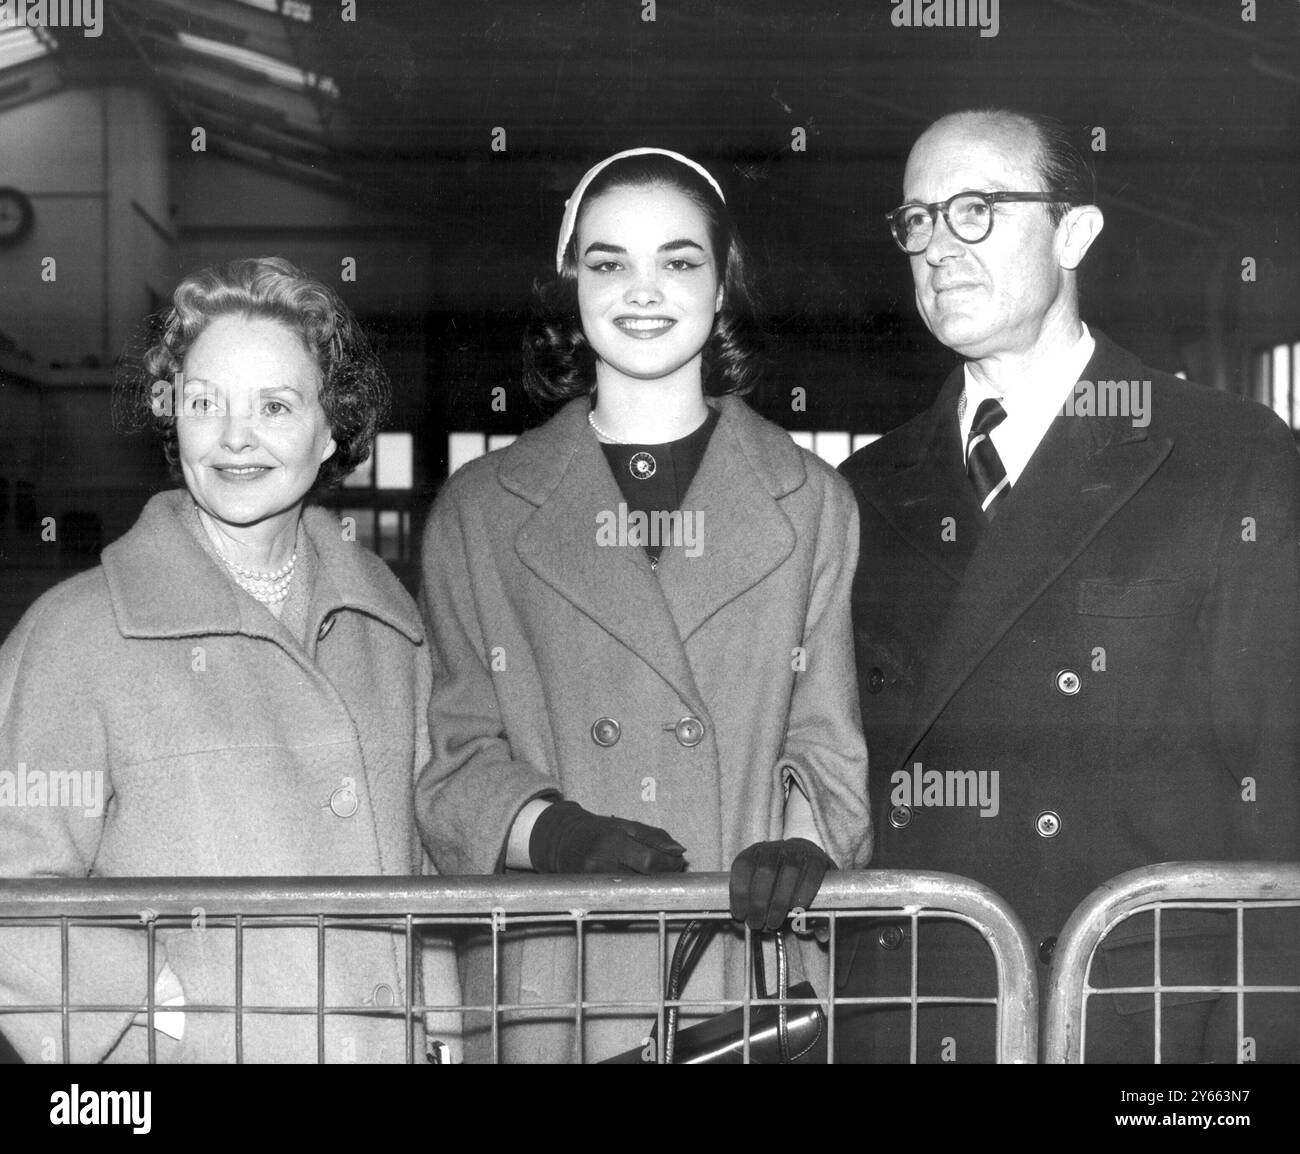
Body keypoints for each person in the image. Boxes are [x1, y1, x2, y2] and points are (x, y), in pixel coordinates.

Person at [836, 109, 1300, 1062]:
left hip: (1138, 1026)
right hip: (919, 1019)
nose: (937, 248)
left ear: (1076, 232)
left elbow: (1285, 808)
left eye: (977, 210)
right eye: (916, 220)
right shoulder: (861, 491)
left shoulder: (1230, 458)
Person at [415, 148, 872, 1062]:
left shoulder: (811, 499)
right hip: (558, 973)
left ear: (720, 283)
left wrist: (799, 847)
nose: (643, 290)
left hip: (743, 978)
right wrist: (556, 833)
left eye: (678, 260)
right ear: (570, 282)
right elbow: (452, 759)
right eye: (608, 261)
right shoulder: (481, 508)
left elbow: (828, 741)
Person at [0, 256, 460, 1063]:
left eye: (275, 406)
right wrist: (148, 1015)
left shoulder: (390, 630)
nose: (235, 436)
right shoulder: (75, 635)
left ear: (330, 430)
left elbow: (426, 880)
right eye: (205, 402)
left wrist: (444, 1036)